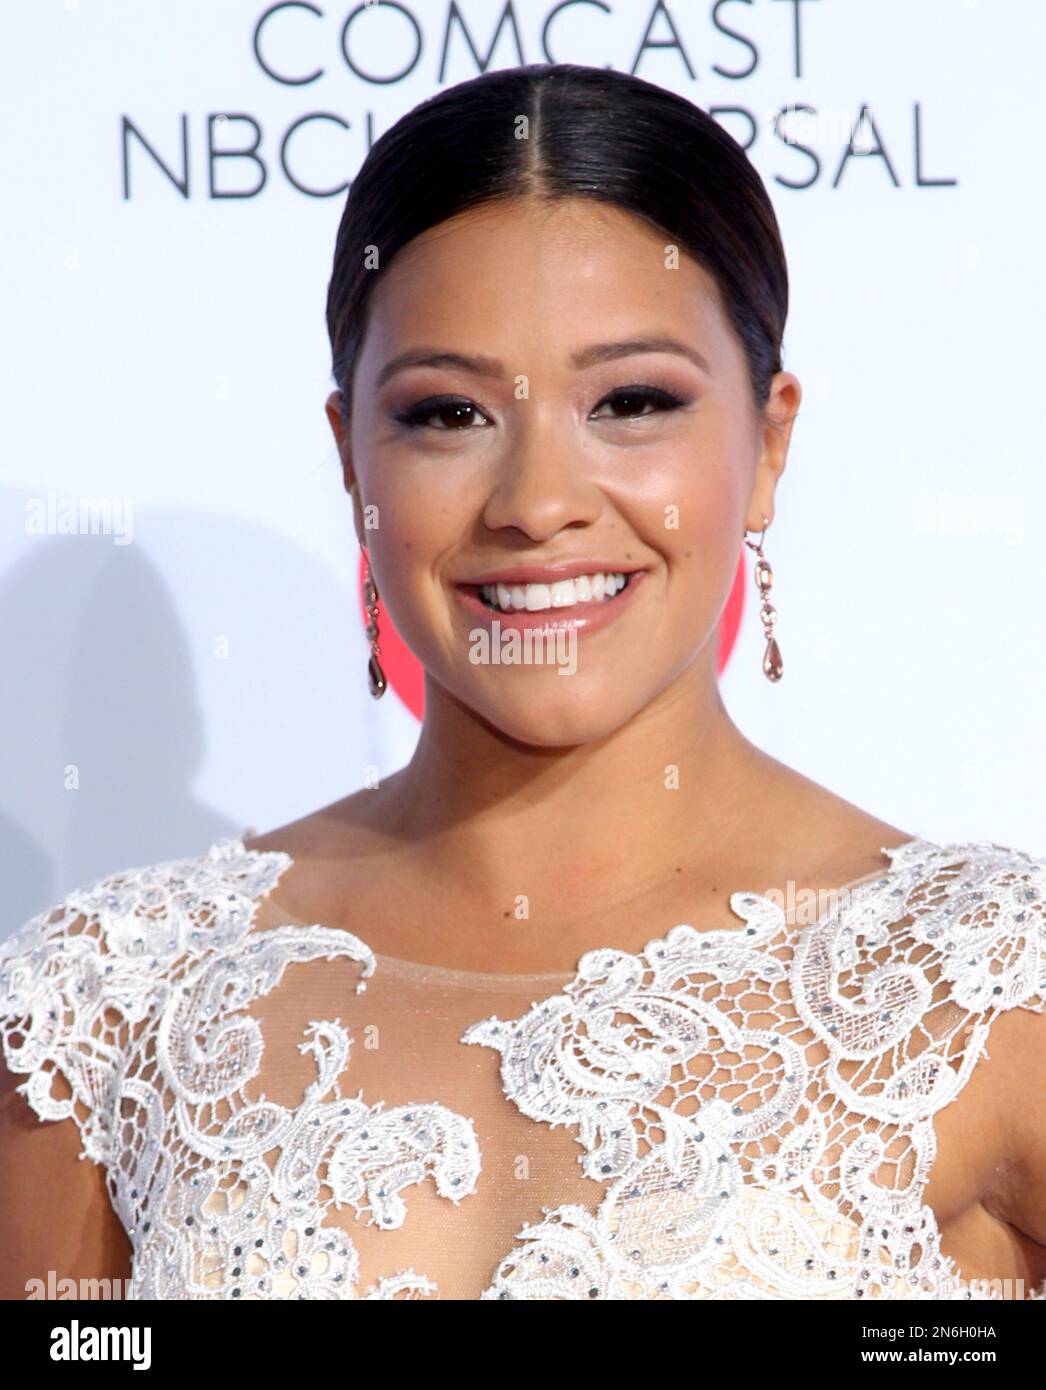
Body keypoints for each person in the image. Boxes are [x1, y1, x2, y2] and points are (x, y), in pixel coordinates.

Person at [2, 62, 1044, 1303]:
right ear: (351, 460)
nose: (539, 501)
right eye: (445, 414)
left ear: (768, 444)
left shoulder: (983, 989)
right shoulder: (108, 1004)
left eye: (632, 401)